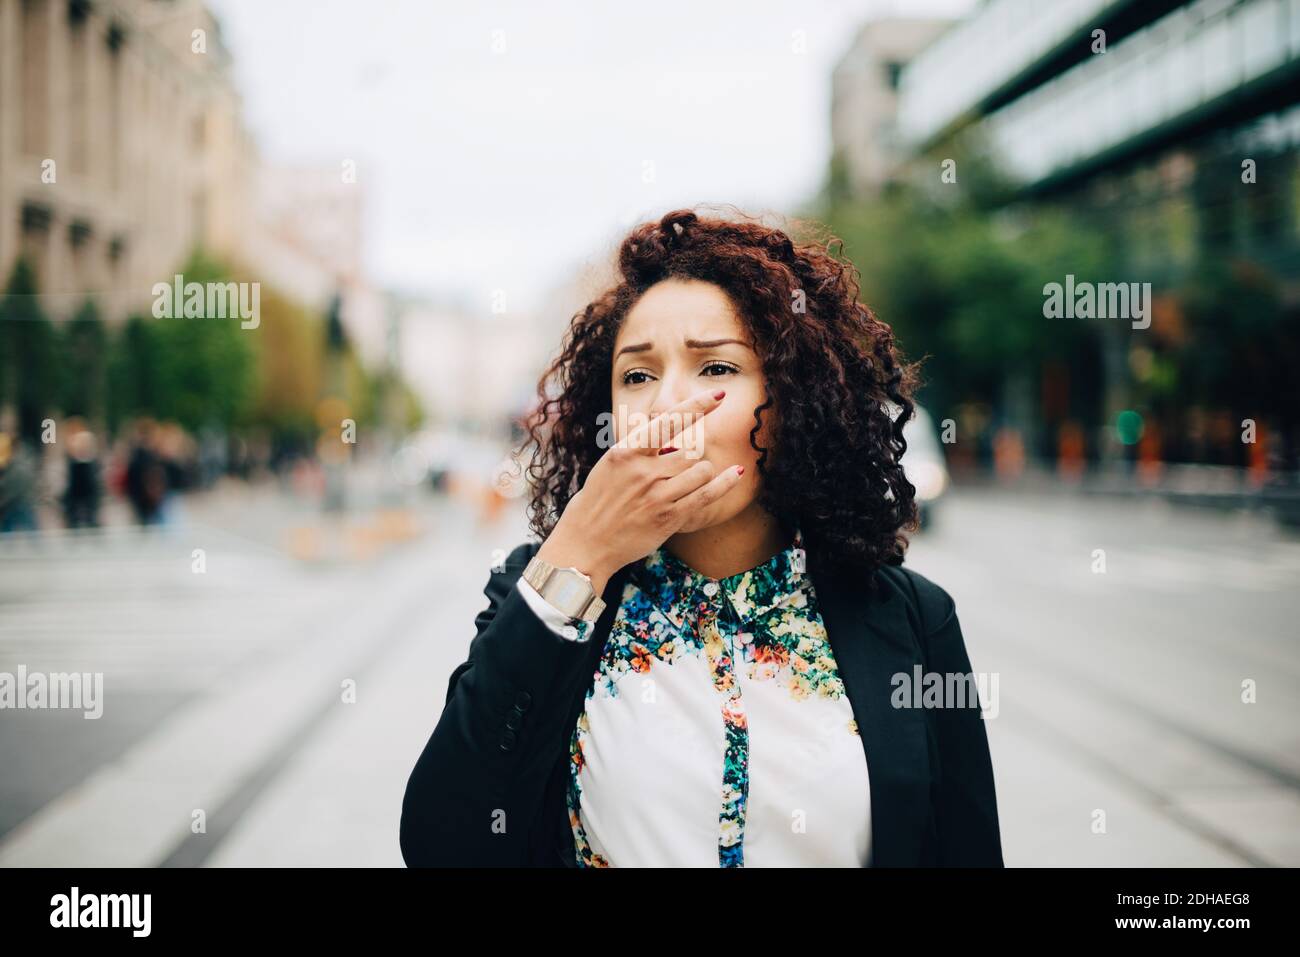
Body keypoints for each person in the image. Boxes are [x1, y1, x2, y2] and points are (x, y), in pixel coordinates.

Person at [400, 207, 1002, 868]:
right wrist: (578, 553)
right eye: (637, 375)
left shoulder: (913, 620)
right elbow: (443, 841)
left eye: (716, 368)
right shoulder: (548, 594)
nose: (666, 406)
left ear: (791, 399)